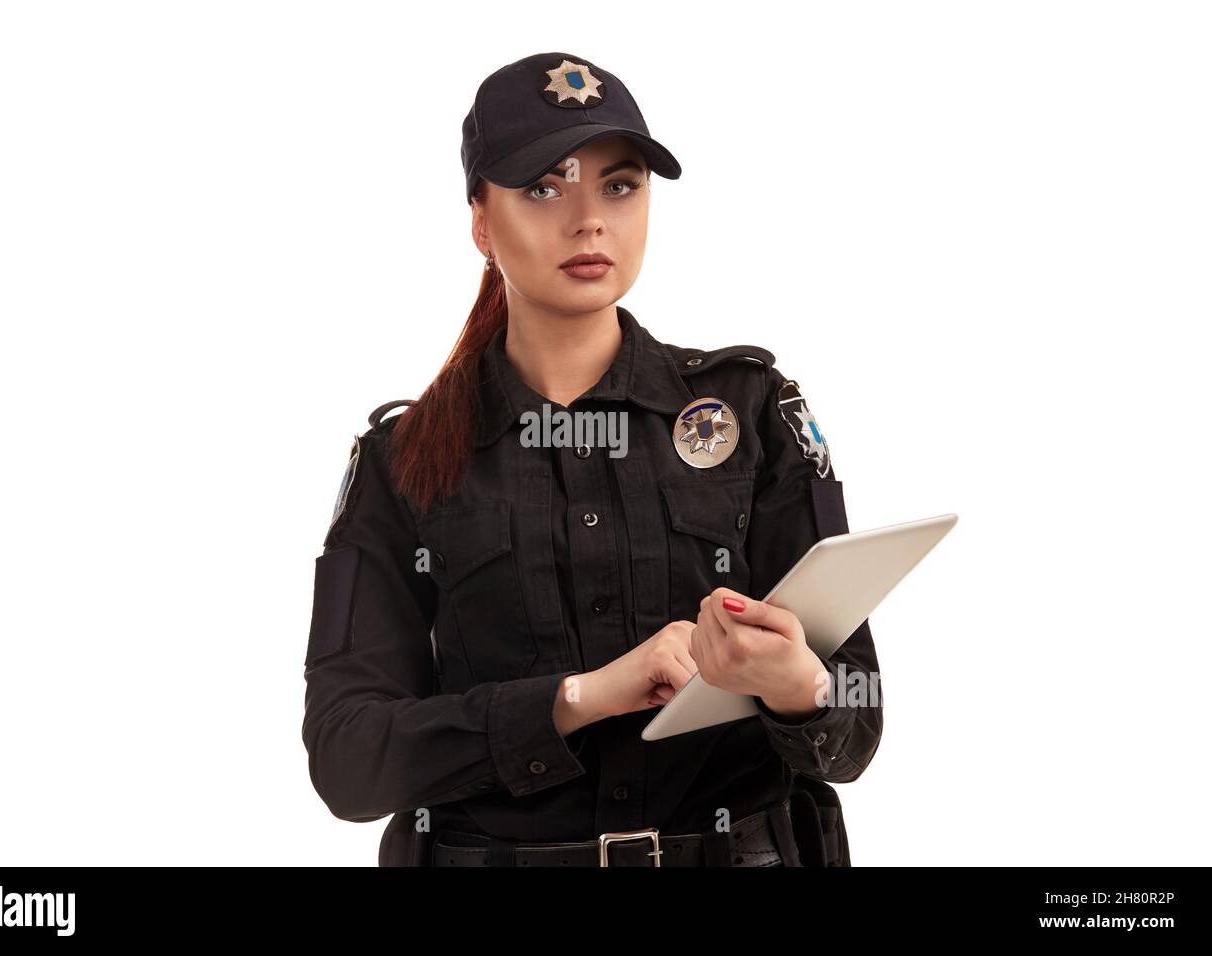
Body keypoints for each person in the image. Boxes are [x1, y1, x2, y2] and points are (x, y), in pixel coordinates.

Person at [301, 51, 882, 867]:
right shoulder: (403, 460)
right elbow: (347, 759)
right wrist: (578, 700)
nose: (589, 220)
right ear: (479, 220)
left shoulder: (752, 413)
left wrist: (800, 689)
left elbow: (856, 725)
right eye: (544, 187)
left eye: (620, 185)